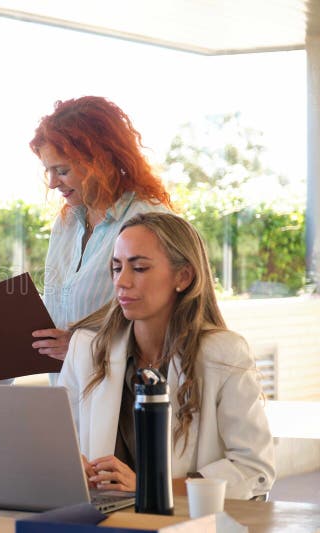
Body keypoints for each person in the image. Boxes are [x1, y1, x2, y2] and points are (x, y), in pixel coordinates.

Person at [58, 212, 275, 500]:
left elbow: (254, 469)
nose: (121, 281)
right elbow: (59, 447)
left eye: (139, 268)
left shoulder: (224, 354)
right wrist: (73, 468)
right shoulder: (86, 349)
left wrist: (150, 487)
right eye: (116, 267)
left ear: (183, 276)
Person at [28, 96, 172, 364]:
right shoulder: (67, 222)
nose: (51, 183)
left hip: (124, 396)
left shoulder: (150, 221)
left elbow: (168, 326)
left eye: (61, 170)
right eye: (48, 171)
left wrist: (85, 346)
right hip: (67, 394)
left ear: (101, 161)